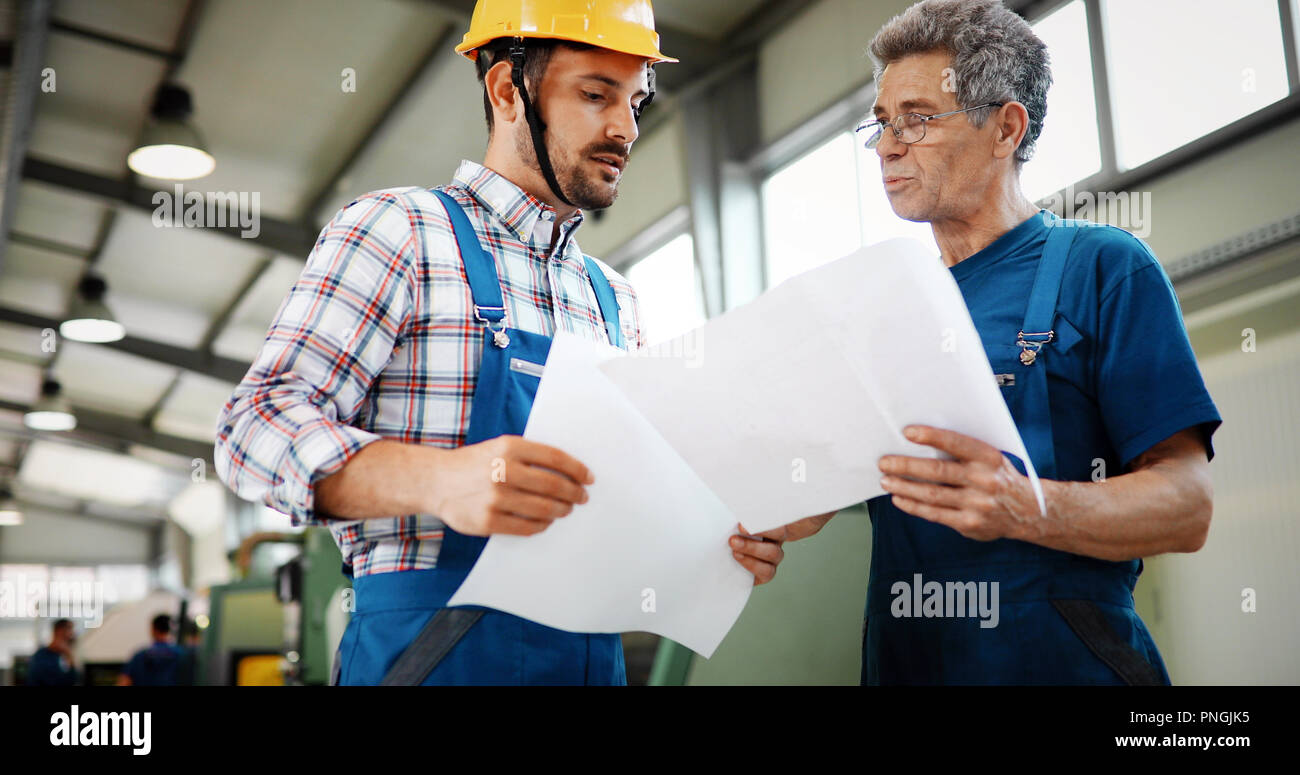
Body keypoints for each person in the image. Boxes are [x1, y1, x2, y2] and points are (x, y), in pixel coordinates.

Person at [215, 0, 820, 685]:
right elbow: (251, 429)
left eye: (637, 102)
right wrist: (441, 480)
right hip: (429, 655)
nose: (625, 127)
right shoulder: (399, 232)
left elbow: (633, 515)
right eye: (596, 94)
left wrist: (727, 537)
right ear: (507, 90)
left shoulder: (613, 300)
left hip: (591, 662)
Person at [790, 0, 1220, 684]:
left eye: (918, 118)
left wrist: (1029, 507)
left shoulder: (1102, 267)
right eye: (880, 124)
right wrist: (773, 508)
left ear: (1006, 128)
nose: (890, 146)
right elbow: (814, 494)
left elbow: (1187, 504)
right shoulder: (877, 316)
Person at [118, 614, 182, 686]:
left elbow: (125, 681)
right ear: (171, 630)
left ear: (153, 630)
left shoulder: (139, 656)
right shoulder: (181, 655)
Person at [27, 618, 78, 686]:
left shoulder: (65, 655)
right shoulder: (41, 656)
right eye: (70, 629)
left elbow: (72, 680)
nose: (72, 633)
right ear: (60, 631)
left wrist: (69, 655)